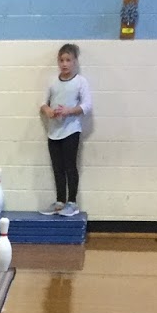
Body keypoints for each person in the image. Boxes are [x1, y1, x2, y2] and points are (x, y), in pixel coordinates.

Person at [40, 43, 92, 215]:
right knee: (58, 168)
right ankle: (60, 201)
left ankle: (72, 203)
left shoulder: (80, 82)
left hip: (71, 131)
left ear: (75, 61)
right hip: (53, 133)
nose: (64, 64)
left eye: (68, 60)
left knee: (70, 167)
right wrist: (48, 111)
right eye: (61, 60)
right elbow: (43, 103)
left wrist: (69, 111)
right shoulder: (53, 82)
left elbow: (87, 106)